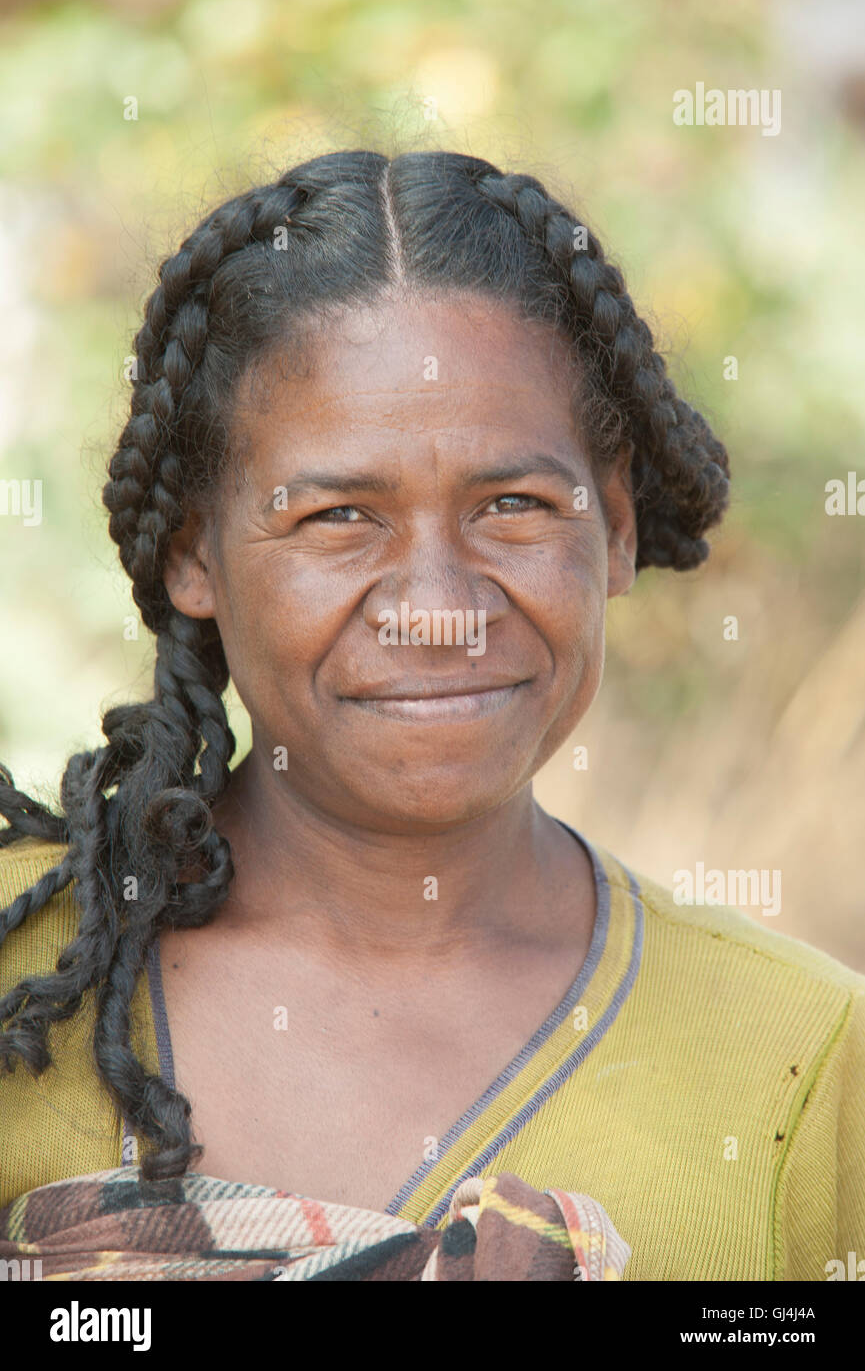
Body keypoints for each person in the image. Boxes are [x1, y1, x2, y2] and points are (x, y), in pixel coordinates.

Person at [0, 149, 861, 1281]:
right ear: (191, 556)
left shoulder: (799, 1056)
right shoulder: (28, 975)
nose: (439, 611)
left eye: (511, 505)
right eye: (338, 516)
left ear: (615, 529)